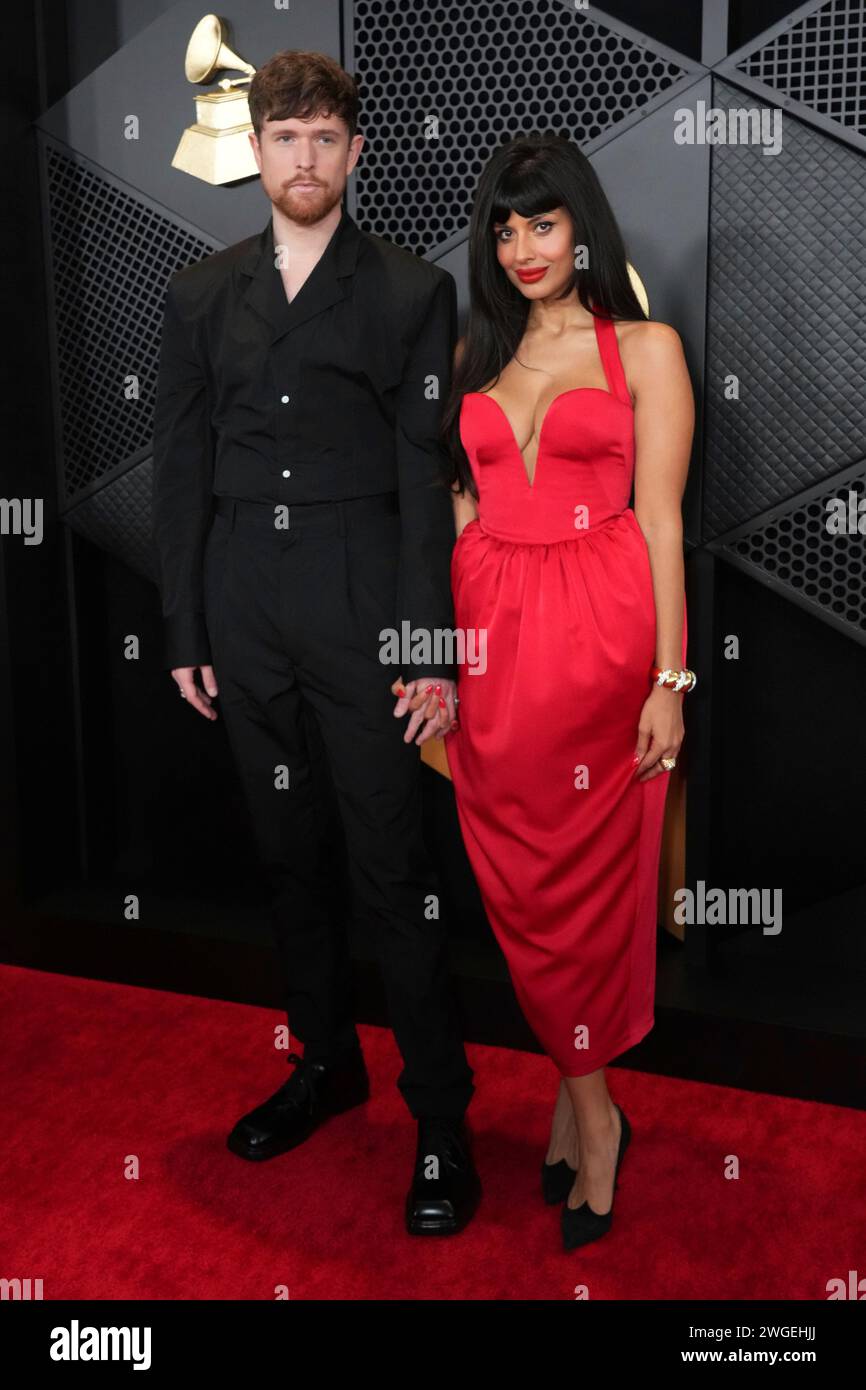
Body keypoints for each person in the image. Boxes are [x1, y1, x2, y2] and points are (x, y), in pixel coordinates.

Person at [151, 49, 481, 1236]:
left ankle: (439, 1119)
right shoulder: (200, 294)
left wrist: (423, 646)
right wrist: (186, 622)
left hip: (360, 603)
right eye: (282, 136)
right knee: (289, 858)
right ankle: (322, 1067)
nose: (302, 156)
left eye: (322, 137)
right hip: (241, 598)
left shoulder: (407, 291)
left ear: (354, 153)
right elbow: (182, 467)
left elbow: (416, 476)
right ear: (254, 152)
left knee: (392, 870)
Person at [433, 133, 695, 1250]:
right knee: (521, 891)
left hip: (601, 649)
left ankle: (593, 1119)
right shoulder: (471, 356)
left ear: (579, 224)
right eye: (503, 227)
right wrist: (456, 659)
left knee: (587, 891)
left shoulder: (643, 347)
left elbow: (662, 519)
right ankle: (580, 1091)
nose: (522, 247)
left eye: (540, 222)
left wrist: (669, 679)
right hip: (499, 652)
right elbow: (459, 513)